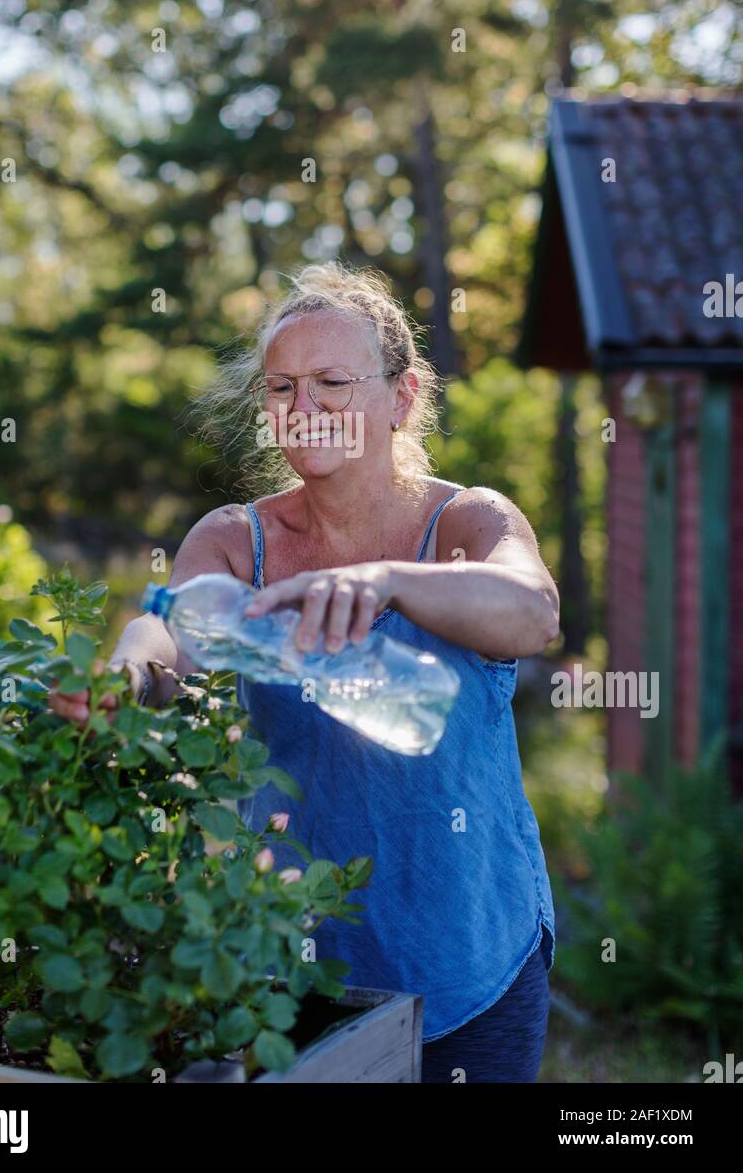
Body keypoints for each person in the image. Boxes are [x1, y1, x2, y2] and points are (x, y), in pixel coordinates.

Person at [50, 262, 560, 1083]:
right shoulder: (234, 540)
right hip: (297, 962)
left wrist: (389, 582)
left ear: (400, 397)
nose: (304, 406)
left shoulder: (467, 521)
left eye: (332, 382)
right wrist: (127, 677)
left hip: (469, 950)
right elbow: (167, 630)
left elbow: (533, 612)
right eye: (283, 387)